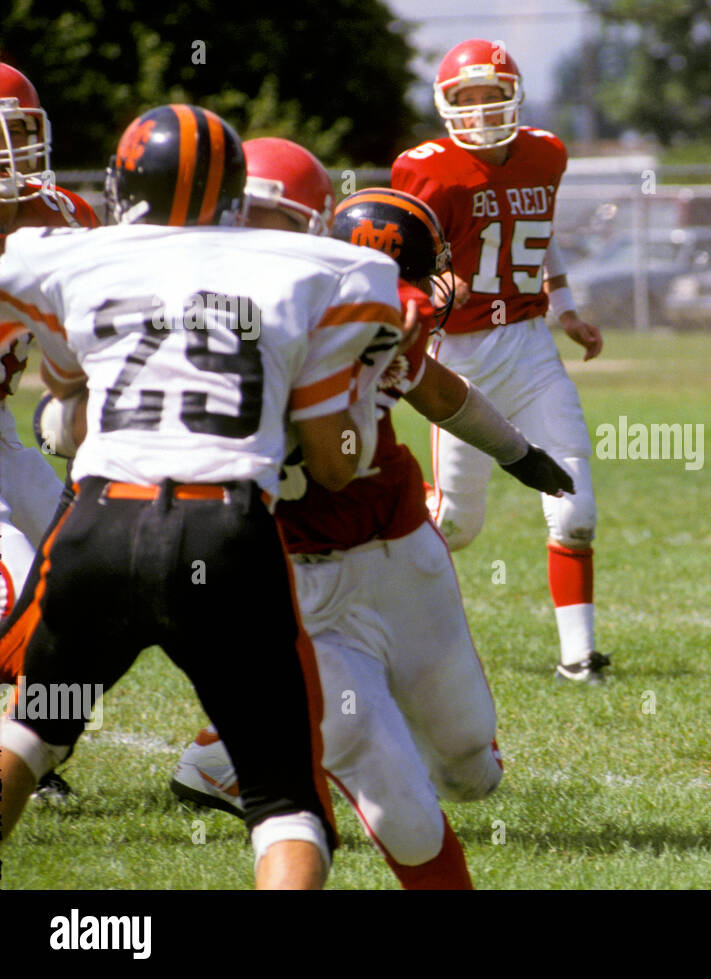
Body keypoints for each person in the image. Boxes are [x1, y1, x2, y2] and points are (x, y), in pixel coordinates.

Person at [0, 104, 412, 887]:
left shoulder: (70, 258)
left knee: (33, 727)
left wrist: (72, 374)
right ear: (237, 192)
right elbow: (335, 466)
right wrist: (357, 408)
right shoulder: (316, 271)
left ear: (124, 187)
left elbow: (65, 395)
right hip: (225, 534)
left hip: (99, 522)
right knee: (284, 801)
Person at [169, 171, 574, 889]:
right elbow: (330, 464)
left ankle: (227, 753)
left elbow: (439, 388)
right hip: (301, 580)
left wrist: (518, 453)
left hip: (400, 556)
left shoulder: (352, 308)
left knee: (471, 767)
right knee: (391, 787)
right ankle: (229, 758)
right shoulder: (251, 327)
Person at [392, 38, 610, 684]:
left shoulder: (546, 154)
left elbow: (539, 234)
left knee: (576, 509)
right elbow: (399, 258)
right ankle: (389, 523)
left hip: (529, 344)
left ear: (515, 97)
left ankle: (580, 657)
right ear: (446, 104)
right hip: (458, 357)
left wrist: (565, 308)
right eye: (468, 98)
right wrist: (431, 291)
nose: (482, 111)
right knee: (456, 525)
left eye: (493, 96)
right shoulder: (427, 170)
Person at [0, 62, 101, 802]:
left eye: (21, 132)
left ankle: (35, 751)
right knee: (19, 599)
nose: (11, 152)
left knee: (85, 573)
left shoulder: (63, 216)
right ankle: (23, 760)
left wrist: (74, 406)